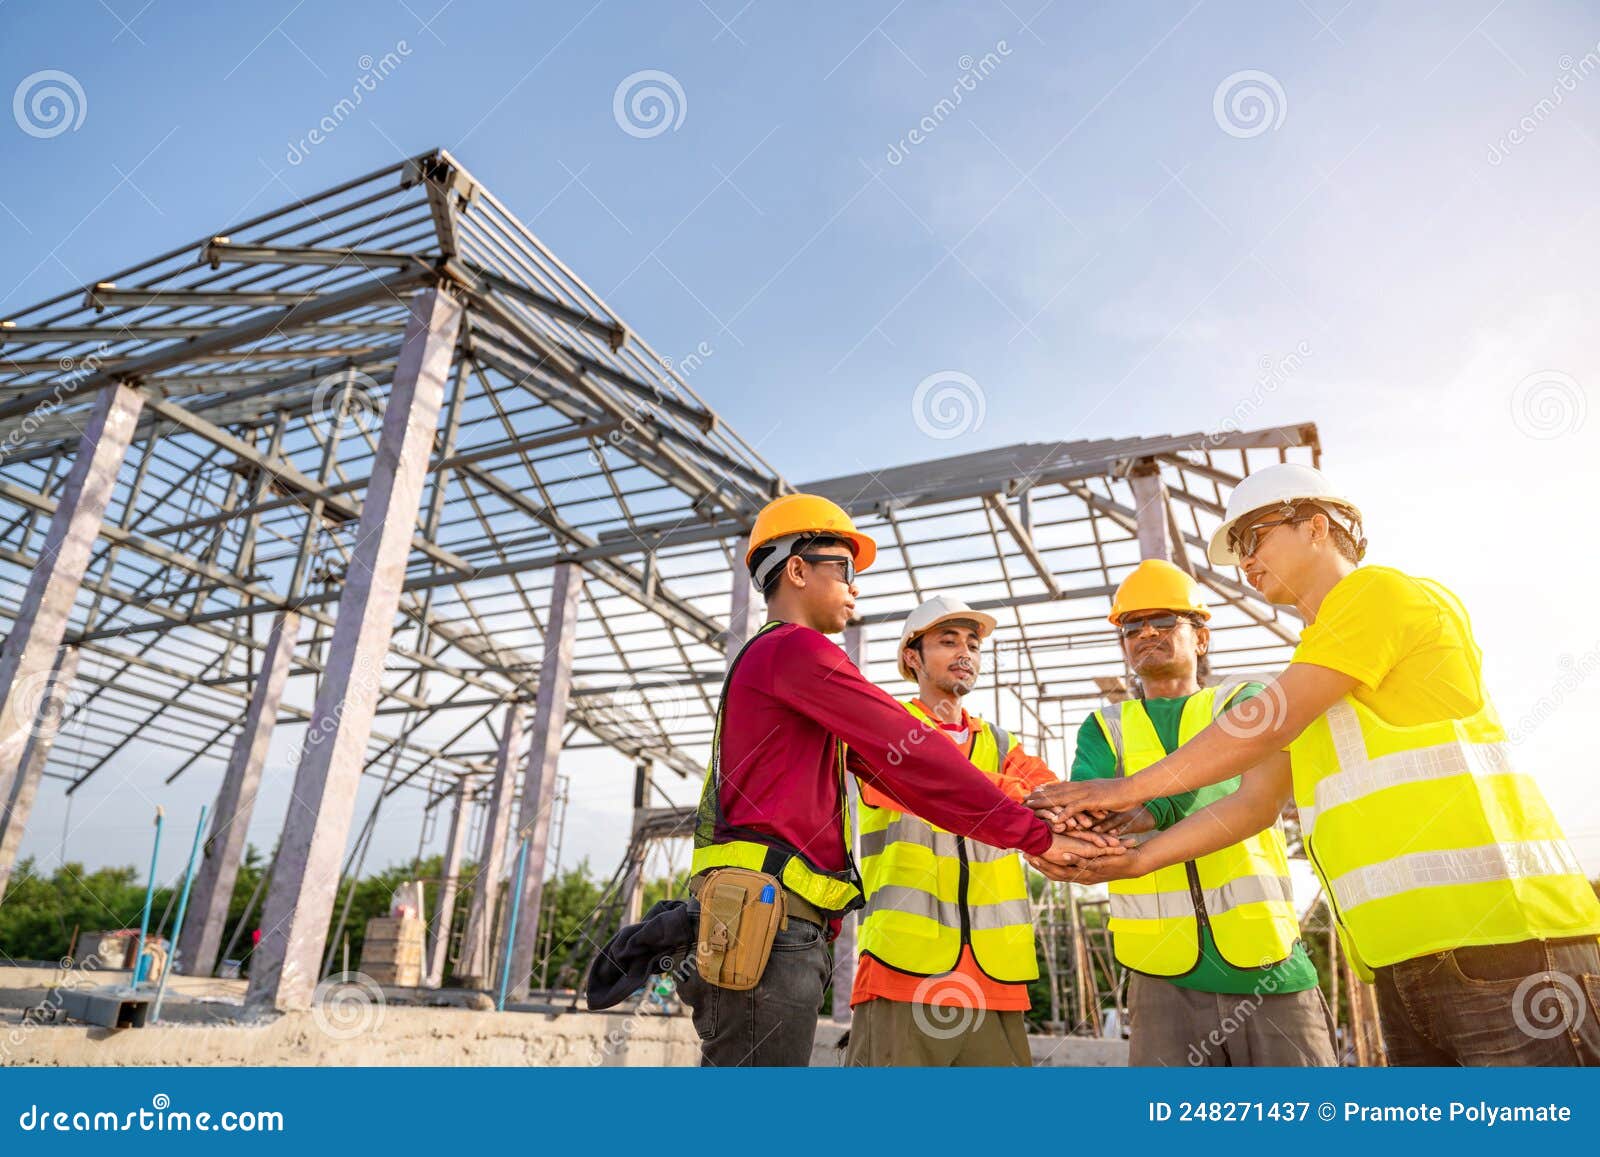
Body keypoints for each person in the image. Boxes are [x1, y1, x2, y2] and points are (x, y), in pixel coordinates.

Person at [1027, 464, 1600, 1065]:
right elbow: (1251, 805)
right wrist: (1134, 860)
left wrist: (1127, 790)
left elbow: (1267, 722)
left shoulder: (1378, 594)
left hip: (1508, 941)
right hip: (1402, 958)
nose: (1242, 561)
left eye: (1253, 538)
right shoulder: (1318, 664)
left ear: (1317, 527)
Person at [681, 494, 1121, 1066]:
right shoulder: (796, 650)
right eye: (844, 569)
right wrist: (1037, 834)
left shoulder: (785, 667)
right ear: (796, 569)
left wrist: (1056, 821)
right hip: (779, 921)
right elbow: (914, 764)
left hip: (779, 920)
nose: (855, 586)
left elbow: (915, 776)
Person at [1072, 559, 1334, 1066]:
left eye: (1166, 621)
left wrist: (1146, 809)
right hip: (1159, 978)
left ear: (1202, 638)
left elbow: (1246, 794)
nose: (1146, 632)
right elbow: (1093, 813)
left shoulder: (1247, 699)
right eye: (1132, 625)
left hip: (1269, 967)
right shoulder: (1104, 728)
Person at [846, 596, 1058, 1067]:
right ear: (911, 657)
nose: (965, 652)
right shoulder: (887, 731)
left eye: (973, 644)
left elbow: (1056, 798)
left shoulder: (1002, 744)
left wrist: (1055, 810)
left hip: (996, 974)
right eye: (947, 641)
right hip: (904, 969)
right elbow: (947, 787)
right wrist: (1018, 795)